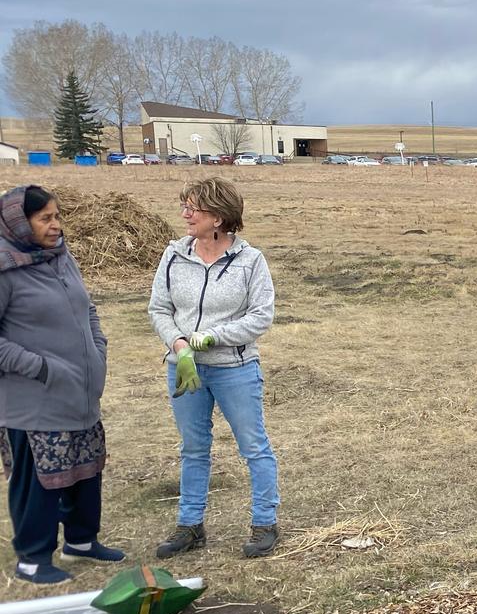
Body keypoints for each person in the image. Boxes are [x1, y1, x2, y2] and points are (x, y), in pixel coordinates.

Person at [147, 177, 280, 558]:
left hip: (234, 369)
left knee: (254, 447)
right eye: (184, 206)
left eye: (194, 208)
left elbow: (261, 316)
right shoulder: (173, 255)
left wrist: (210, 337)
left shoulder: (250, 261)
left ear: (219, 217)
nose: (185, 214)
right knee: (193, 448)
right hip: (183, 369)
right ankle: (190, 526)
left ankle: (264, 523)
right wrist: (179, 344)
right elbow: (159, 308)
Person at [0, 185, 124, 584]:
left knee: (85, 471)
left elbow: (86, 306)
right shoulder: (5, 267)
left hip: (79, 391)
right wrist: (39, 368)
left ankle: (82, 540)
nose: (56, 226)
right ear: (21, 223)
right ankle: (33, 558)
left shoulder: (60, 254)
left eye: (57, 216)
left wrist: (98, 347)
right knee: (39, 480)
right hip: (33, 400)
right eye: (45, 219)